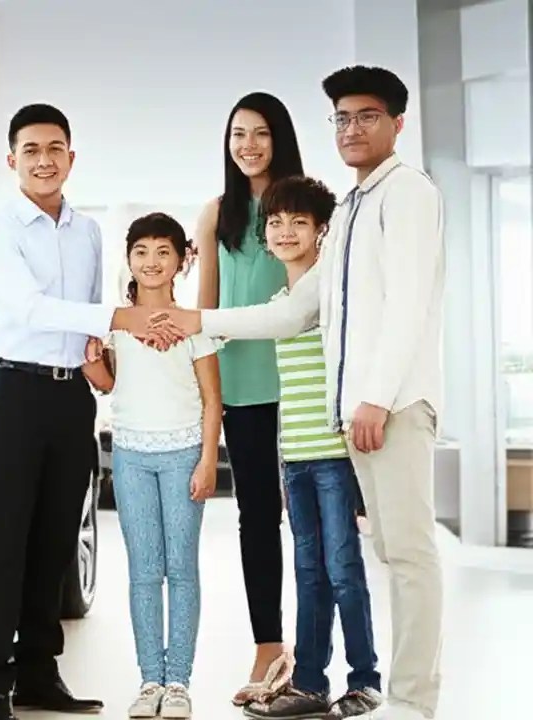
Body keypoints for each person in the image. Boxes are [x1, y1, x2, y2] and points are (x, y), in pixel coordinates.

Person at [150, 65, 445, 720]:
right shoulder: (355, 208)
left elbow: (406, 309)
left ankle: (407, 700)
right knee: (347, 554)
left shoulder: (406, 196)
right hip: (349, 408)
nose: (351, 128)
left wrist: (375, 396)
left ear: (398, 123)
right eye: (342, 117)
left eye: (366, 116)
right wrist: (195, 322)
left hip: (384, 404)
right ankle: (316, 682)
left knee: (399, 554)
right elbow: (288, 313)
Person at [0, 103, 179, 720]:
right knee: (6, 542)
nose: (44, 159)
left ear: (71, 157)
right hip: (16, 394)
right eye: (31, 149)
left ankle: (38, 673)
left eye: (55, 147)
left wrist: (105, 350)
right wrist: (118, 317)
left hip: (69, 399)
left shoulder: (87, 232)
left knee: (57, 541)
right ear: (12, 160)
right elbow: (28, 309)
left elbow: (85, 320)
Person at [230, 175, 383, 720]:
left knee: (344, 570)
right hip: (294, 456)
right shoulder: (280, 299)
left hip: (337, 458)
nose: (285, 231)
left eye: (300, 222)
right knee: (310, 572)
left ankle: (365, 681)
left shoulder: (328, 295)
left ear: (322, 231)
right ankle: (311, 685)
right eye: (275, 222)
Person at [83, 213, 220, 719]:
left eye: (163, 251)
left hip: (184, 453)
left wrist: (208, 461)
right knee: (144, 573)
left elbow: (212, 401)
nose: (152, 261)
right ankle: (149, 681)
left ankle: (179, 681)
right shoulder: (117, 324)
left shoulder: (194, 325)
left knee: (181, 570)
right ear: (129, 260)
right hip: (132, 456)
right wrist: (90, 359)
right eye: (141, 251)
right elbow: (108, 384)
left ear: (182, 259)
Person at [192, 92, 304, 704]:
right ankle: (269, 647)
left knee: (314, 518)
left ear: (279, 138)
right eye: (239, 133)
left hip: (303, 380)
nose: (248, 145)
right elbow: (208, 308)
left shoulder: (307, 205)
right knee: (258, 516)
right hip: (244, 385)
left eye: (260, 133)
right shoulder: (216, 213)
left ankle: (311, 656)